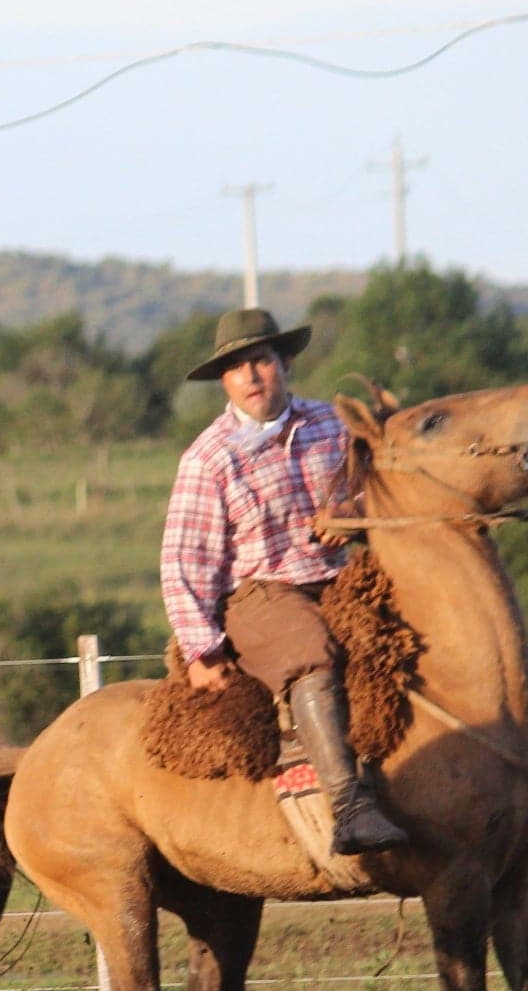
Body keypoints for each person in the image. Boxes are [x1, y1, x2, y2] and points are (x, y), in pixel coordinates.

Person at [160, 307, 408, 854]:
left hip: (343, 579)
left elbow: (388, 496)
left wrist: (353, 513)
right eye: (235, 368)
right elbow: (184, 560)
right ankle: (349, 807)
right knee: (310, 651)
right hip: (261, 591)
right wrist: (201, 649)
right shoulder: (209, 458)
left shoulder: (335, 426)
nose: (249, 376)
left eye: (260, 361)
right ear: (223, 381)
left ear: (285, 363)